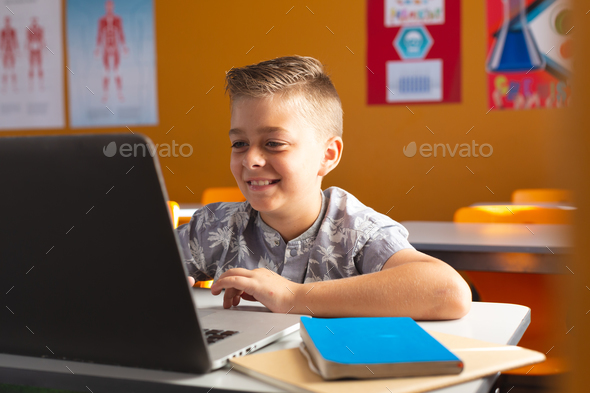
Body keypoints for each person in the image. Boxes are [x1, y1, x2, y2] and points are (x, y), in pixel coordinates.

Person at [177, 56, 471, 319]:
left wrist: (292, 297)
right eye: (239, 143)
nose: (250, 159)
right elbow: (136, 267)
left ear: (328, 155)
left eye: (274, 144)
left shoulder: (358, 231)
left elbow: (447, 292)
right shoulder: (213, 227)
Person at [94, 0, 128, 102]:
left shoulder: (117, 19)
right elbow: (99, 35)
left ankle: (119, 93)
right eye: (107, 6)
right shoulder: (102, 20)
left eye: (110, 6)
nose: (109, 8)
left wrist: (124, 47)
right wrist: (97, 49)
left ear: (112, 7)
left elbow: (121, 33)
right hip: (106, 48)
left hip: (115, 47)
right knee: (106, 72)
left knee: (117, 71)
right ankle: (105, 94)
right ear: (105, 7)